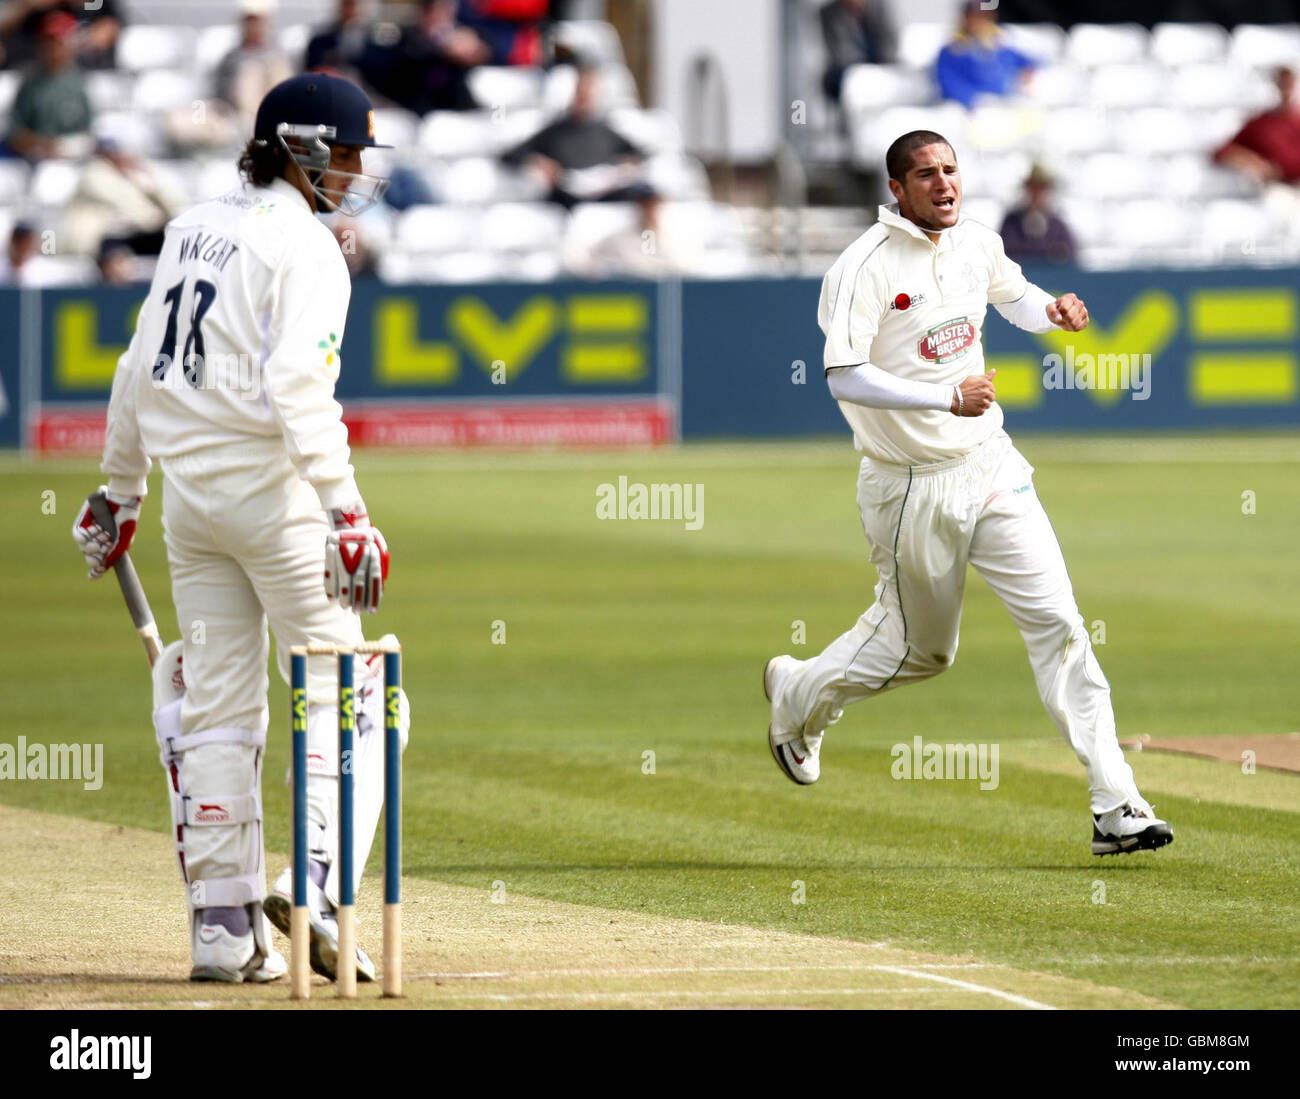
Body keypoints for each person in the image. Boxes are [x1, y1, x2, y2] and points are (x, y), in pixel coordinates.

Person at [71, 73, 409, 983]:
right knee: (359, 696)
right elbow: (301, 387)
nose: (352, 172)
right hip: (276, 501)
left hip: (192, 507)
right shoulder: (307, 249)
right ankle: (319, 891)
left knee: (219, 709)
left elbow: (138, 363)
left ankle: (222, 932)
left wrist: (120, 492)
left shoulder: (193, 224)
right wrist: (348, 513)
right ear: (299, 148)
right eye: (343, 154)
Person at [765, 130, 1173, 859]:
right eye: (926, 174)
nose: (944, 183)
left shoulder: (977, 242)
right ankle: (798, 694)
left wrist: (1053, 311)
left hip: (989, 465)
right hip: (908, 486)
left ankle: (1116, 803)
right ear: (897, 189)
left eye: (951, 170)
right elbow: (844, 374)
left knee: (1060, 623)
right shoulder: (862, 267)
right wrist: (943, 395)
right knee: (922, 652)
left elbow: (1012, 295)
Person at [502, 62, 654, 211]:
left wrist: (627, 165)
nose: (586, 97)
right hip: (567, 198)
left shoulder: (605, 131)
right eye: (582, 91)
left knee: (649, 192)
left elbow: (641, 155)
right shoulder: (555, 132)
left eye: (591, 92)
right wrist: (537, 162)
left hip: (604, 194)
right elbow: (510, 155)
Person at [60, 136, 186, 258]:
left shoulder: (134, 173)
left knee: (168, 244)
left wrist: (150, 183)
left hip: (127, 237)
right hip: (94, 244)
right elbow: (128, 205)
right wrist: (159, 222)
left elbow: (174, 205)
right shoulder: (94, 172)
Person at [4, 10, 93, 161]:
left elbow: (89, 130)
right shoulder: (30, 83)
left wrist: (69, 146)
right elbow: (16, 134)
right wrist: (45, 144)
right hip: (36, 161)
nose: (53, 49)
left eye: (58, 43)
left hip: (75, 159)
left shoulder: (80, 81)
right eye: (47, 43)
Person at [935, 0, 1036, 109]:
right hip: (968, 110)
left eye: (986, 17)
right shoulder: (953, 51)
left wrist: (1028, 72)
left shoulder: (1001, 46)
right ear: (966, 19)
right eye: (977, 17)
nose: (982, 22)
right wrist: (974, 100)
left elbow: (1029, 61)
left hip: (1004, 104)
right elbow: (949, 84)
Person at [214, 0, 294, 131]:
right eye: (249, 21)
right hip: (238, 118)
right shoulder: (231, 58)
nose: (253, 26)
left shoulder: (280, 55)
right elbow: (220, 94)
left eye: (257, 21)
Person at [0, 0, 123, 70]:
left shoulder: (100, 6)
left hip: (89, 73)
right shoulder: (44, 10)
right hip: (34, 73)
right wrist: (27, 6)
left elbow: (109, 31)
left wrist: (79, 43)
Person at [819, 0, 897, 103]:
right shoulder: (829, 13)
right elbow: (843, 54)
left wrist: (882, 70)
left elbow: (889, 43)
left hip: (881, 67)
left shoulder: (878, 6)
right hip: (848, 70)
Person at [998, 164, 1076, 265]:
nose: (1037, 194)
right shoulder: (1011, 223)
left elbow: (1069, 256)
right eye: (1033, 189)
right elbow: (1005, 253)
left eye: (1041, 189)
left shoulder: (1057, 226)